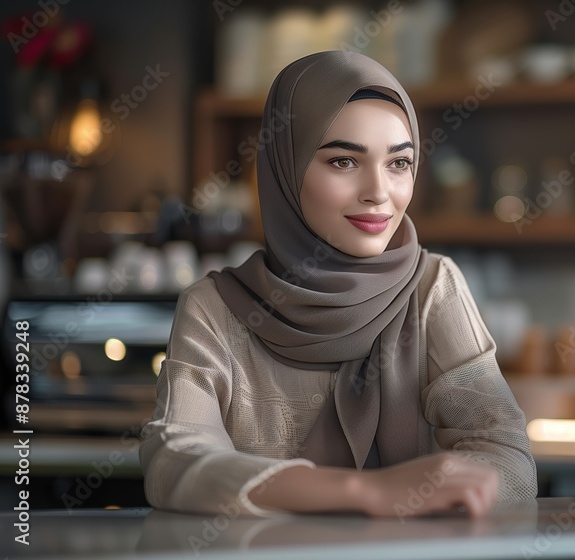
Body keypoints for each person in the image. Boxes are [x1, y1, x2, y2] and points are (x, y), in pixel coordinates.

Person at [139, 51, 537, 518]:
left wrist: (433, 493)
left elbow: (509, 459)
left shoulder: (432, 287)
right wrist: (365, 493)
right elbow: (173, 463)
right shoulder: (215, 307)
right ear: (285, 168)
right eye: (344, 162)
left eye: (398, 163)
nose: (379, 192)